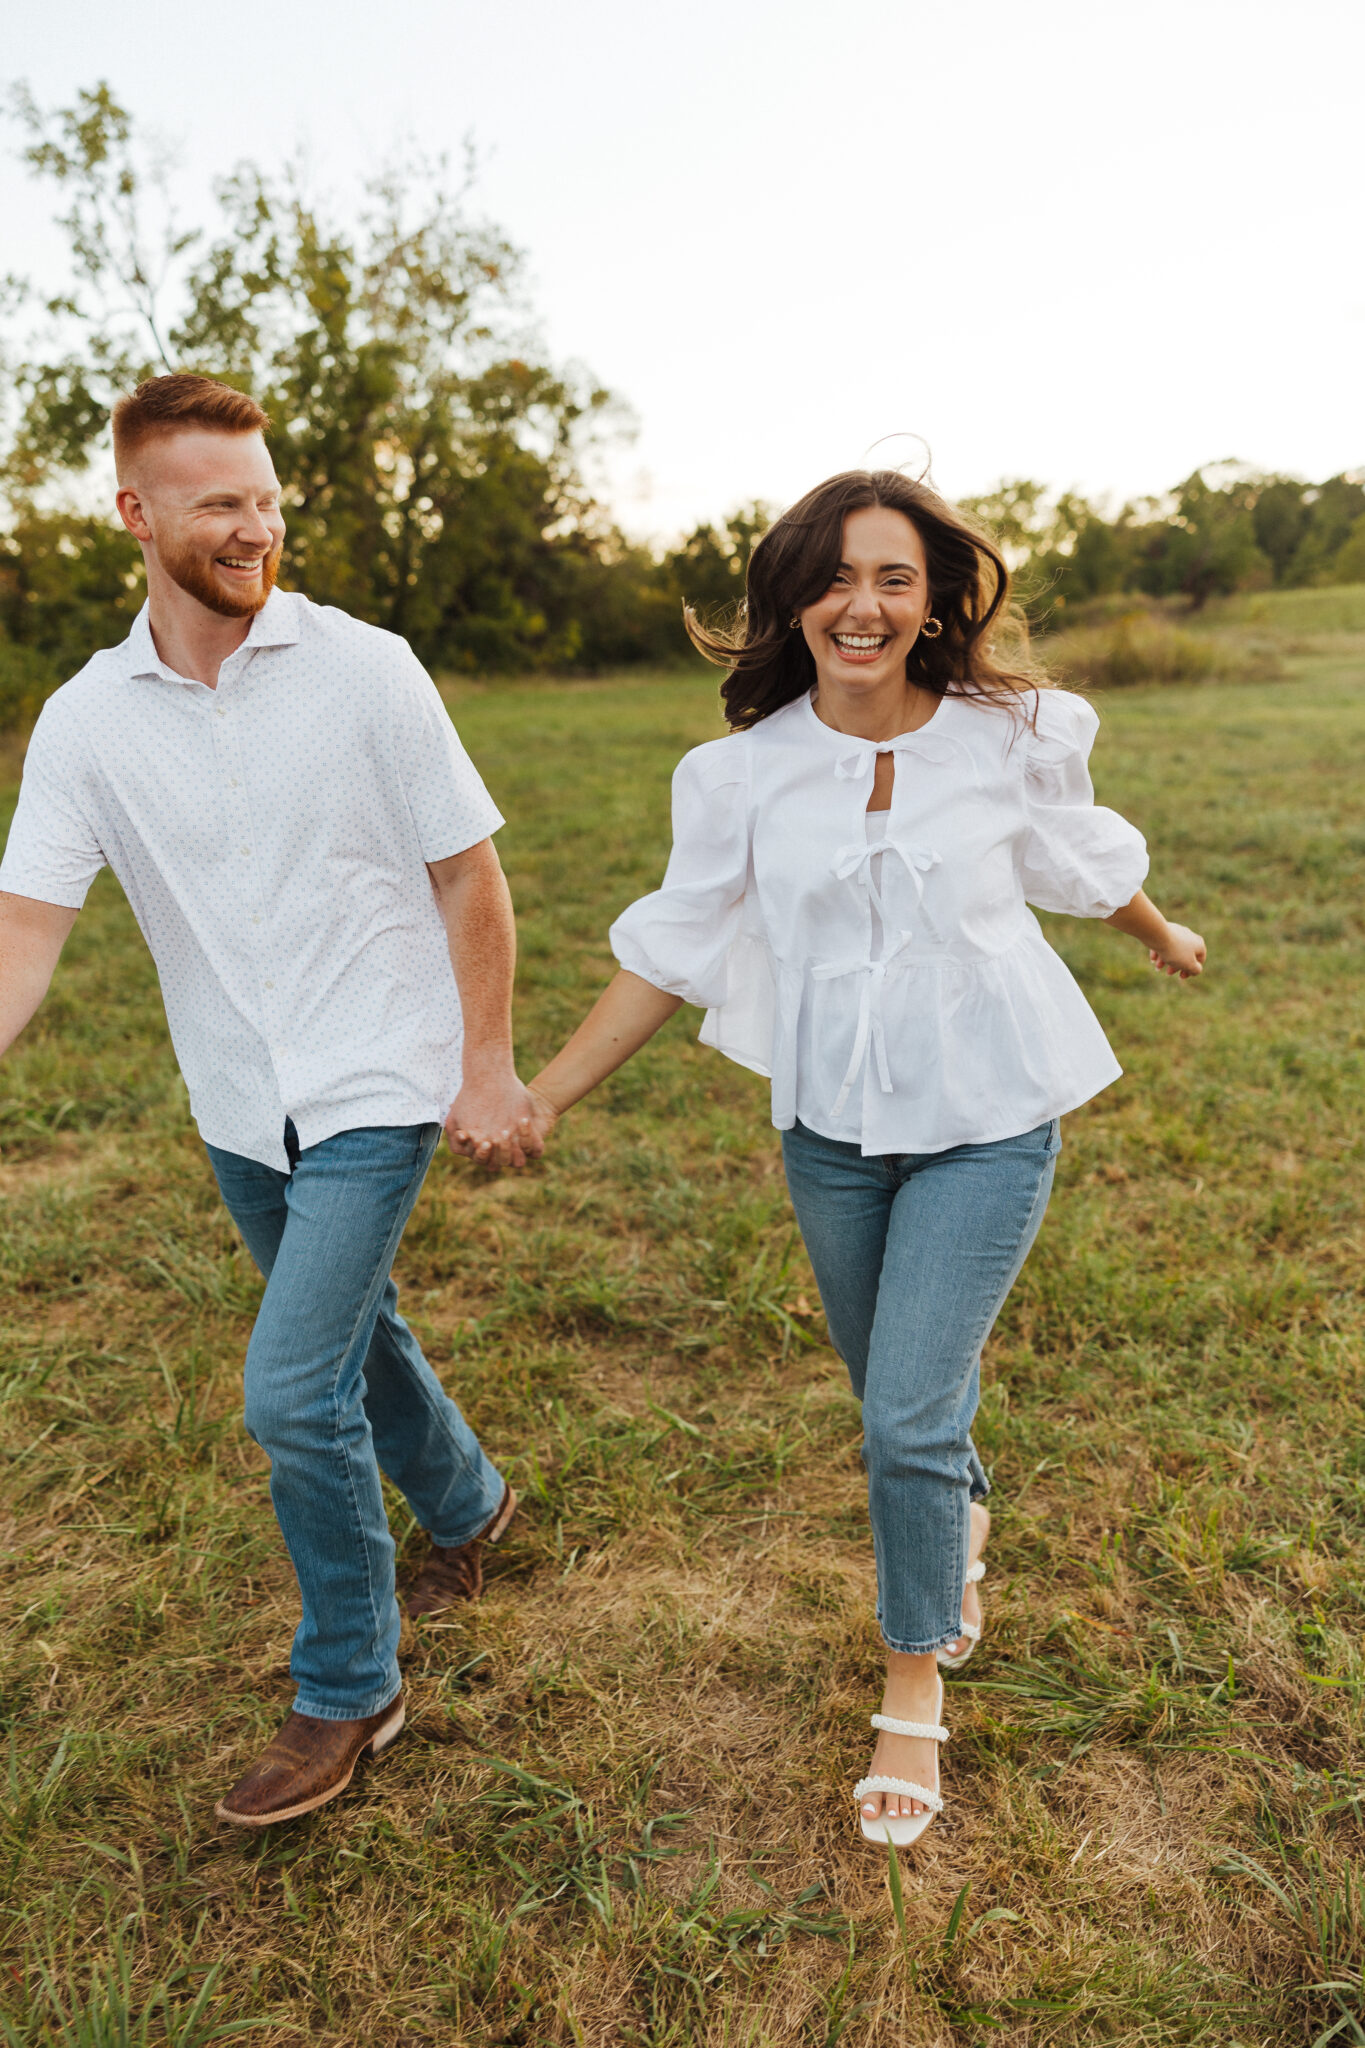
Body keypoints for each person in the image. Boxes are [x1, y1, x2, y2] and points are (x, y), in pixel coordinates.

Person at [480, 468, 1206, 1848]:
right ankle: (955, 1528)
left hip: (991, 1117)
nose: (858, 605)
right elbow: (674, 953)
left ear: (931, 601)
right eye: (832, 577)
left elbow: (1075, 858)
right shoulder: (741, 773)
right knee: (899, 1401)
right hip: (829, 1133)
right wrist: (547, 1097)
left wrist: (1156, 934)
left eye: (890, 577)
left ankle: (910, 1690)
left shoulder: (1008, 738)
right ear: (791, 601)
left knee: (902, 1420)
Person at [0, 373, 541, 1827]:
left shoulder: (368, 670)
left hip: (378, 1075)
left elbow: (466, 873)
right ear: (136, 514)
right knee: (354, 1341)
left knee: (289, 1387)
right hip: (240, 1101)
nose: (257, 526)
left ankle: (351, 1683)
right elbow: (24, 931)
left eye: (268, 498)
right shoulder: (85, 722)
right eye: (222, 502)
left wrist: (484, 1063)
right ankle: (476, 1504)